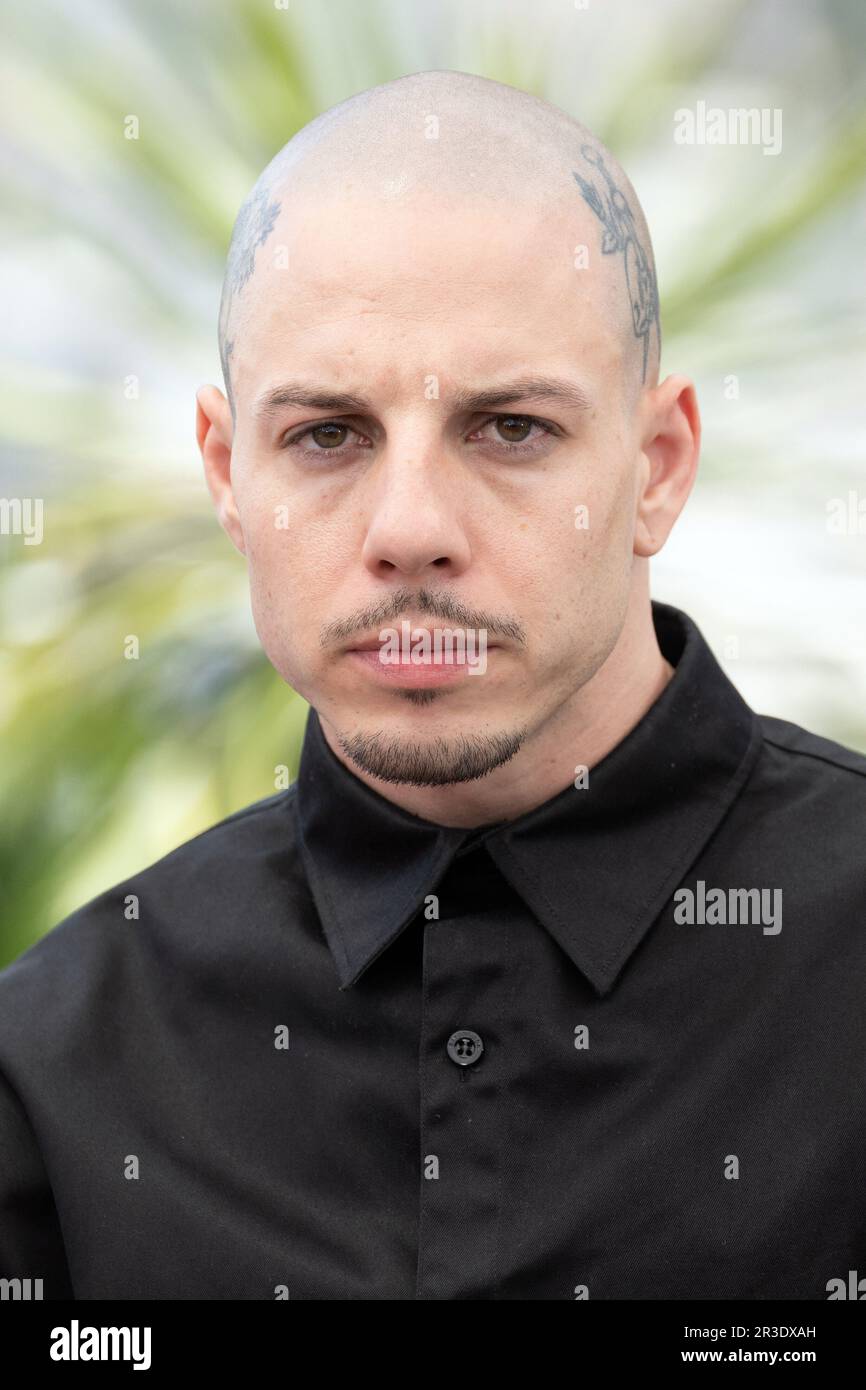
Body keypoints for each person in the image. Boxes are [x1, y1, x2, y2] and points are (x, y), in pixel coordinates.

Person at [1, 70, 864, 1302]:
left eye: (508, 428)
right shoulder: (57, 1068)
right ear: (226, 471)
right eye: (326, 435)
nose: (409, 528)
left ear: (657, 465)